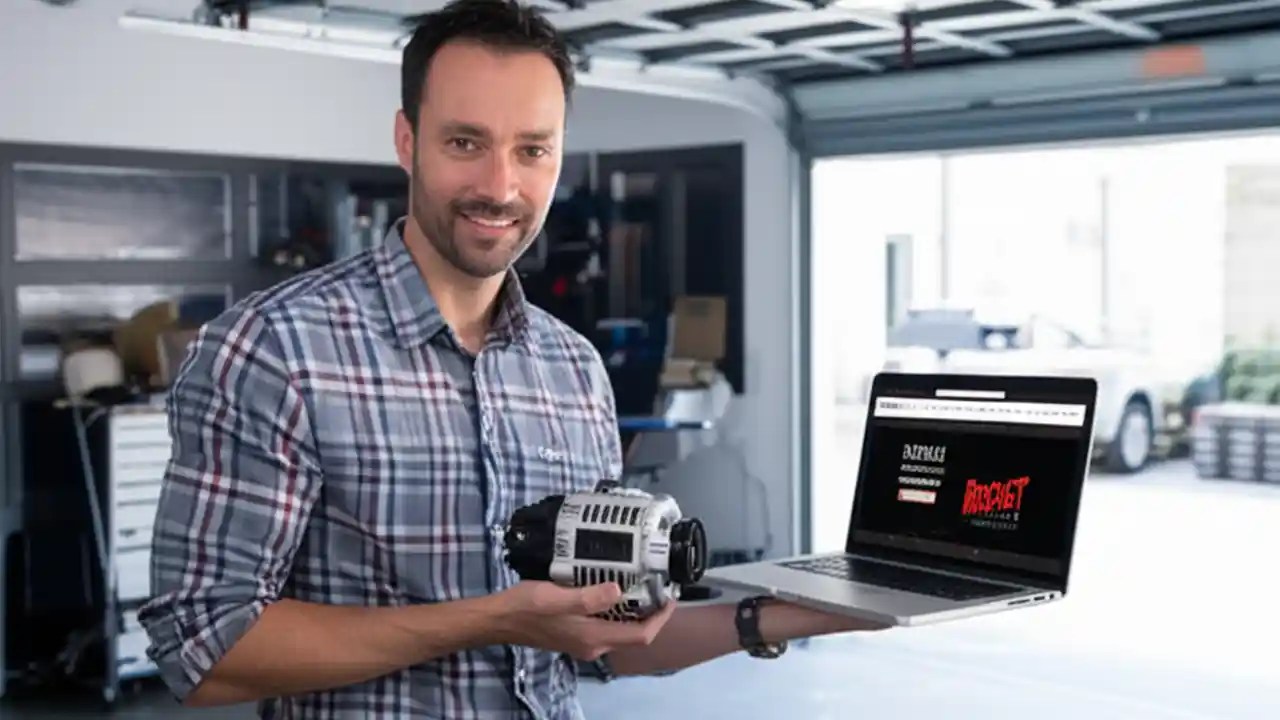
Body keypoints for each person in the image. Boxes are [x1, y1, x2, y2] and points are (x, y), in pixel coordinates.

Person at [137, 1, 884, 717]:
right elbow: (205, 647)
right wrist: (494, 620)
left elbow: (605, 643)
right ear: (407, 140)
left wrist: (800, 614)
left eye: (533, 149)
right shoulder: (273, 349)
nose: (500, 187)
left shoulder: (572, 368)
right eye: (465, 143)